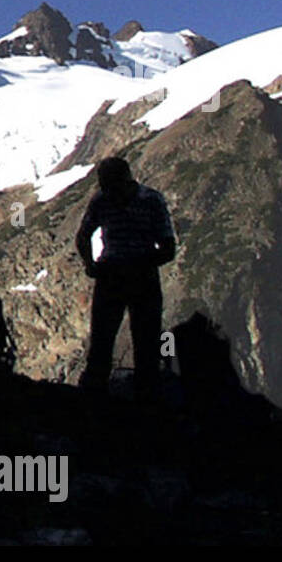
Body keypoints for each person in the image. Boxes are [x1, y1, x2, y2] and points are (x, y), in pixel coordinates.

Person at [75, 157, 176, 396]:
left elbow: (83, 236)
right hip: (141, 275)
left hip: (114, 275)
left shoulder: (105, 200)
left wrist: (92, 265)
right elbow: (168, 247)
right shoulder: (150, 200)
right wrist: (143, 260)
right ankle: (146, 397)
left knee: (105, 341)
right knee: (144, 341)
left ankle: (96, 397)